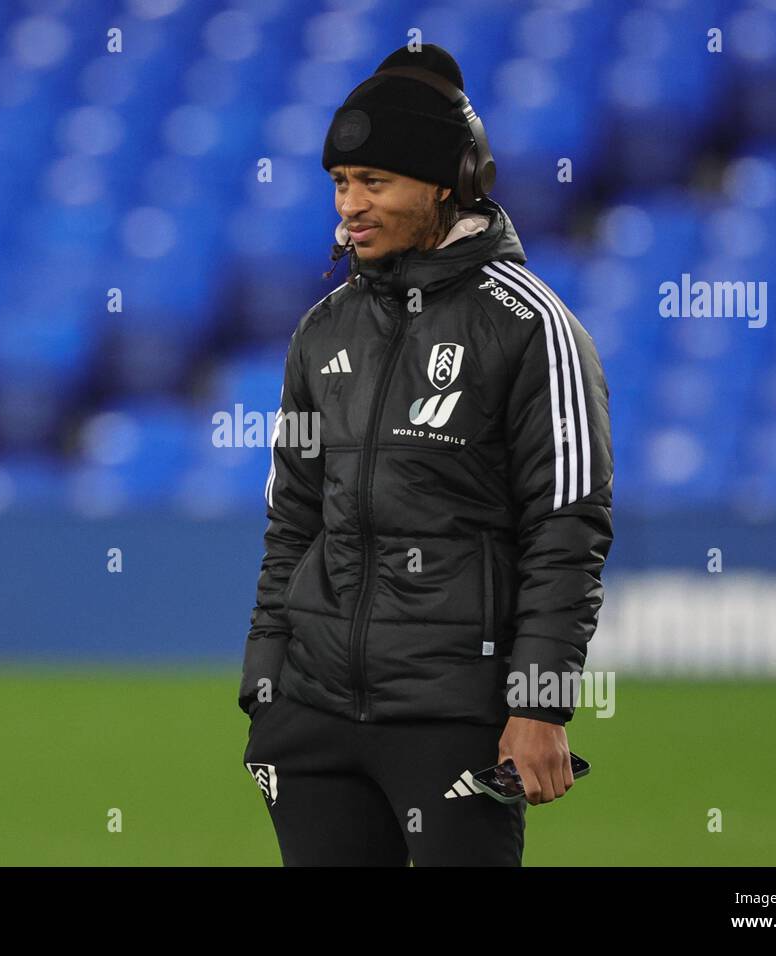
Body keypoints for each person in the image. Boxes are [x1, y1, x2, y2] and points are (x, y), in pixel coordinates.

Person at [238, 44, 614, 866]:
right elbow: (293, 517)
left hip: (454, 721)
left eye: (376, 183)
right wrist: (264, 678)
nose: (350, 207)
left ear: (447, 185)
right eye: (341, 183)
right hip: (313, 717)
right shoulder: (322, 331)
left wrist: (540, 705)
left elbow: (567, 527)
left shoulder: (531, 327)